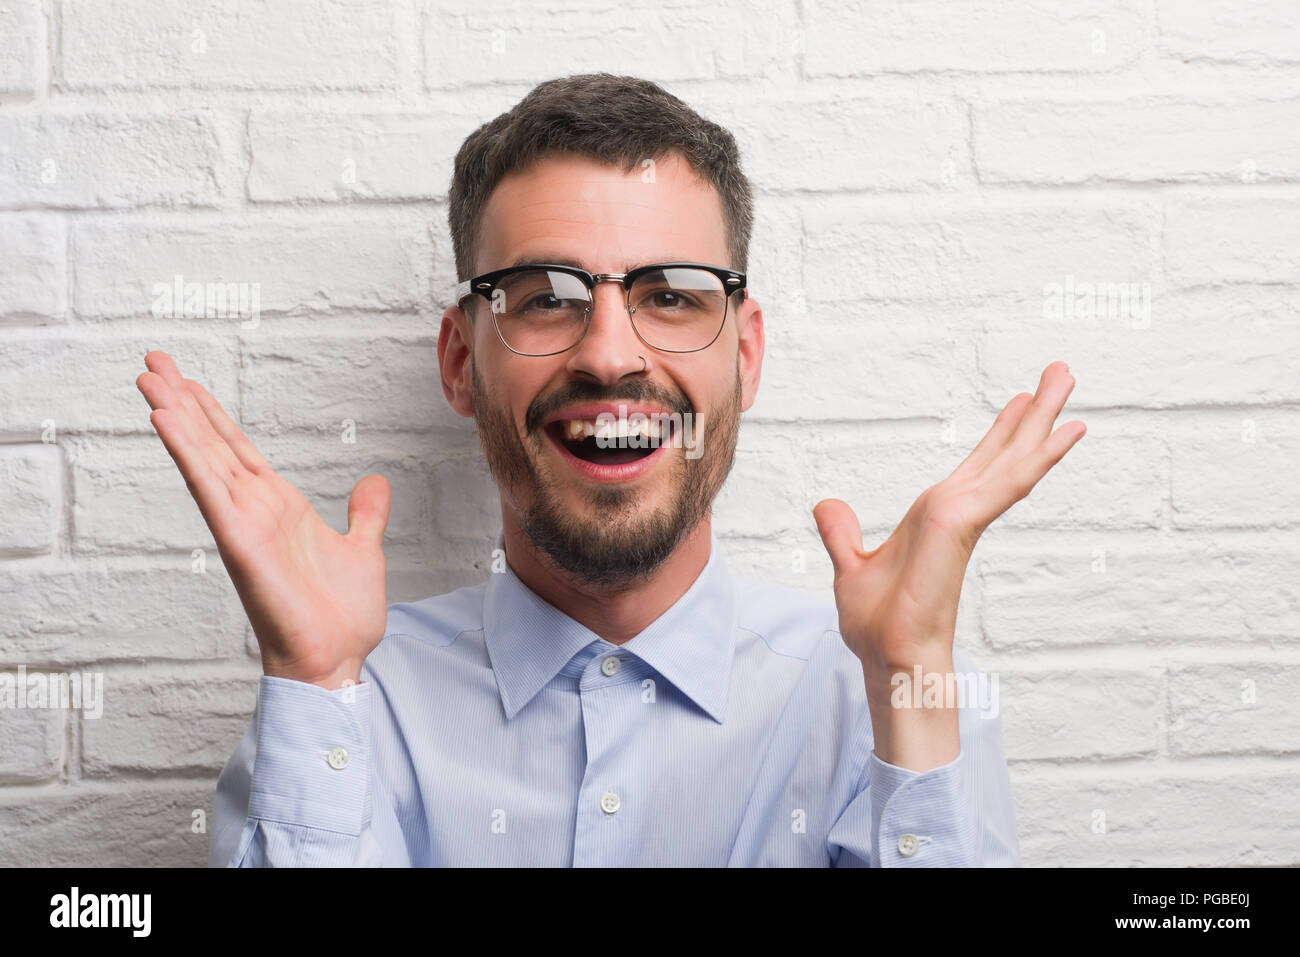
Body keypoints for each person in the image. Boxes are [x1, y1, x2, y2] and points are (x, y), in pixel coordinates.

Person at [136, 73, 1084, 866]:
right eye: (546, 298)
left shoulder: (880, 700)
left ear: (746, 357)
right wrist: (311, 678)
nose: (609, 354)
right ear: (462, 363)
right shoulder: (339, 709)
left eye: (669, 295)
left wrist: (912, 677)